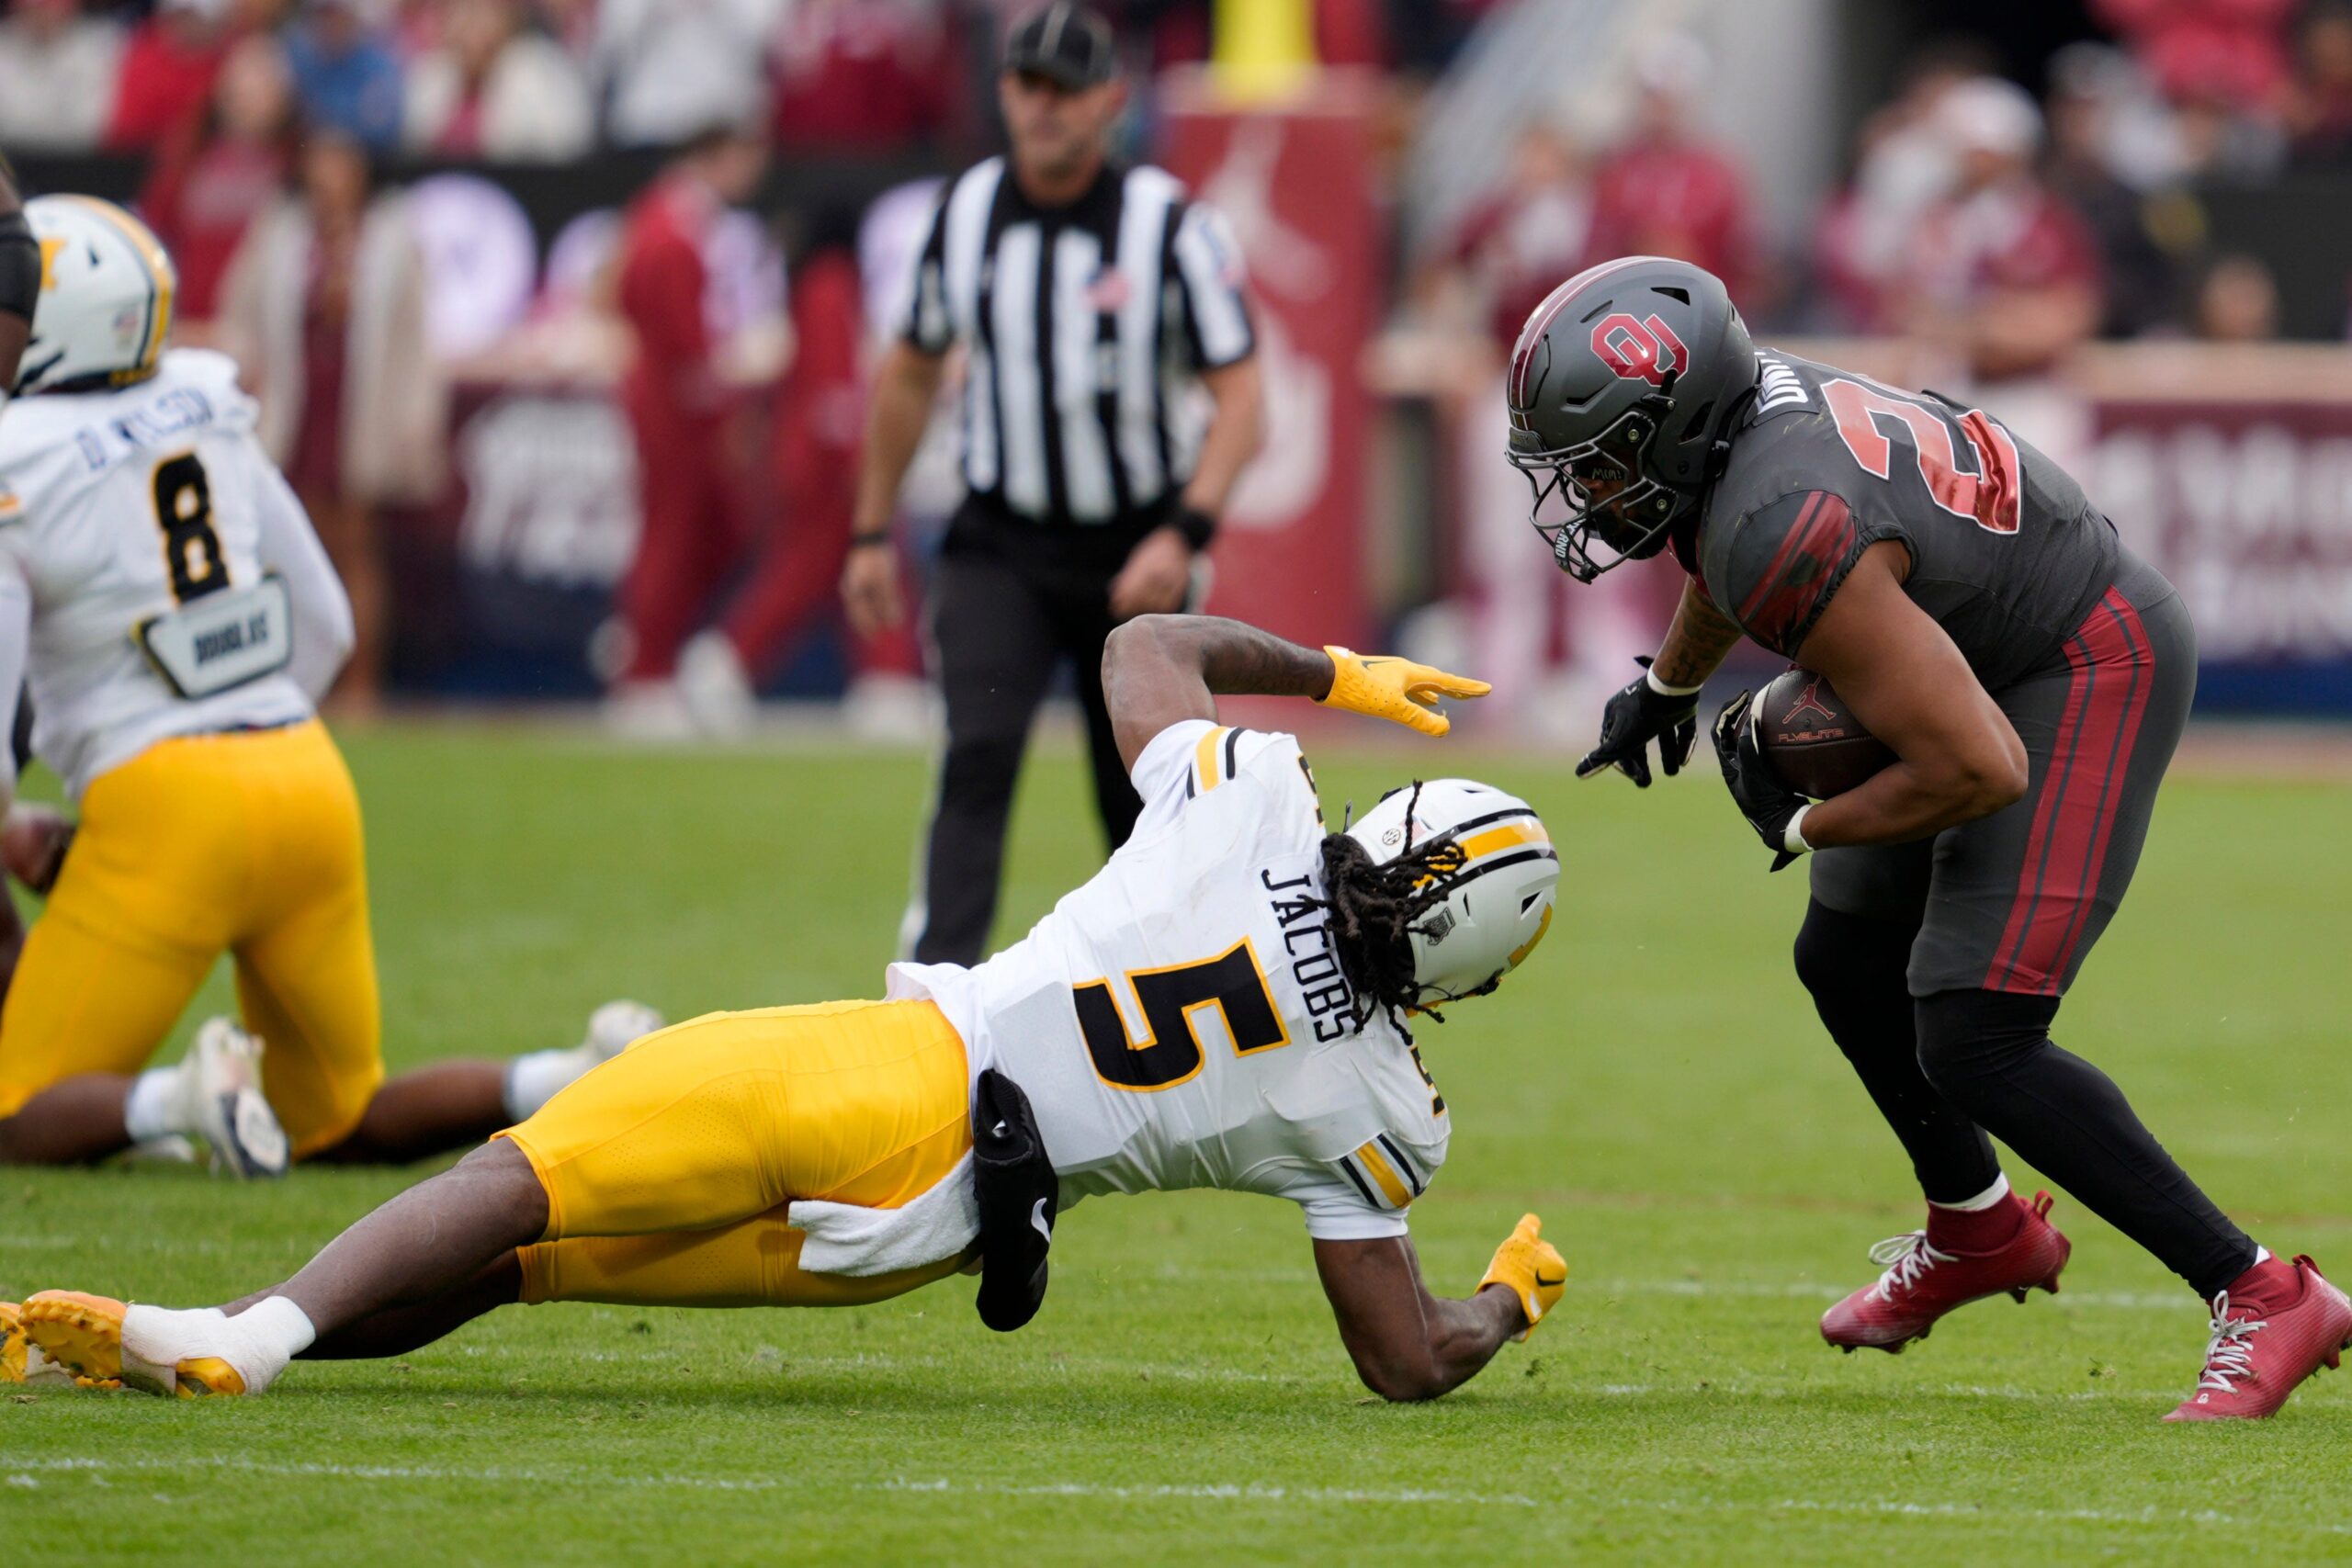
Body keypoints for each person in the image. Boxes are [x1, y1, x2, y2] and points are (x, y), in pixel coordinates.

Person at [10, 617, 1565, 1404]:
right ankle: (204, 1339)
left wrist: (1332, 671)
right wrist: (1506, 1300)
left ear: (1391, 824)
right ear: (1470, 973)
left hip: (890, 1077)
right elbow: (1404, 1357)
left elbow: (1143, 644)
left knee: (514, 1180)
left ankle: (245, 1337)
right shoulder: (1374, 1110)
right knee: (520, 1268)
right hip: (925, 1239)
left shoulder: (1256, 801)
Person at [1505, 254, 2350, 1422]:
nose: (1589, 491)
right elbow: (1721, 547)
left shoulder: (1774, 514)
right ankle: (1977, 1228)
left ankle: (2263, 1291)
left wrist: (1803, 820)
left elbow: (1977, 767)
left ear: (1678, 423)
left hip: (2080, 658)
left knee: (1976, 1035)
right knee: (1844, 957)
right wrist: (1667, 685)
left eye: (1602, 460)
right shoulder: (1740, 427)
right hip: (1985, 644)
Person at [0, 197, 659, 1175]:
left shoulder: (20, 458)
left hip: (160, 802)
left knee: (14, 1113)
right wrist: (246, 730)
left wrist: (44, 817)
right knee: (339, 1121)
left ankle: (184, 1096)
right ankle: (571, 1074)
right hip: (304, 775)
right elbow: (329, 625)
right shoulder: (207, 403)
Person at [844, 2, 1266, 965]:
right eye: (1029, 86)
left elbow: (1243, 397)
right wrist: (869, 531)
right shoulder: (965, 214)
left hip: (1136, 547)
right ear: (1003, 93)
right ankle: (934, 993)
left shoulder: (1170, 226)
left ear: (1111, 99)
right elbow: (909, 372)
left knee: (1147, 791)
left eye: (1067, 90)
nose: (1046, 108)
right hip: (1003, 542)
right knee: (977, 754)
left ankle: (1173, 985)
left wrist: (1185, 532)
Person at [219, 127, 445, 711]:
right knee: (287, 547)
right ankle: (288, 681)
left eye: (341, 164)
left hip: (360, 407)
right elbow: (240, 311)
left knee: (356, 548)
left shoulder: (390, 239)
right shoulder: (280, 233)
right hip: (295, 405)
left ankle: (359, 683)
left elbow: (416, 336)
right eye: (320, 163)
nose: (329, 177)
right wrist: (246, 378)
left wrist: (416, 416)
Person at [604, 121, 771, 722]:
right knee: (672, 534)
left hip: (671, 392)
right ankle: (644, 668)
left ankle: (646, 646)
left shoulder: (663, 217)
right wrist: (716, 394)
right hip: (675, 402)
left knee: (703, 530)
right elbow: (678, 329)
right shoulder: (674, 228)